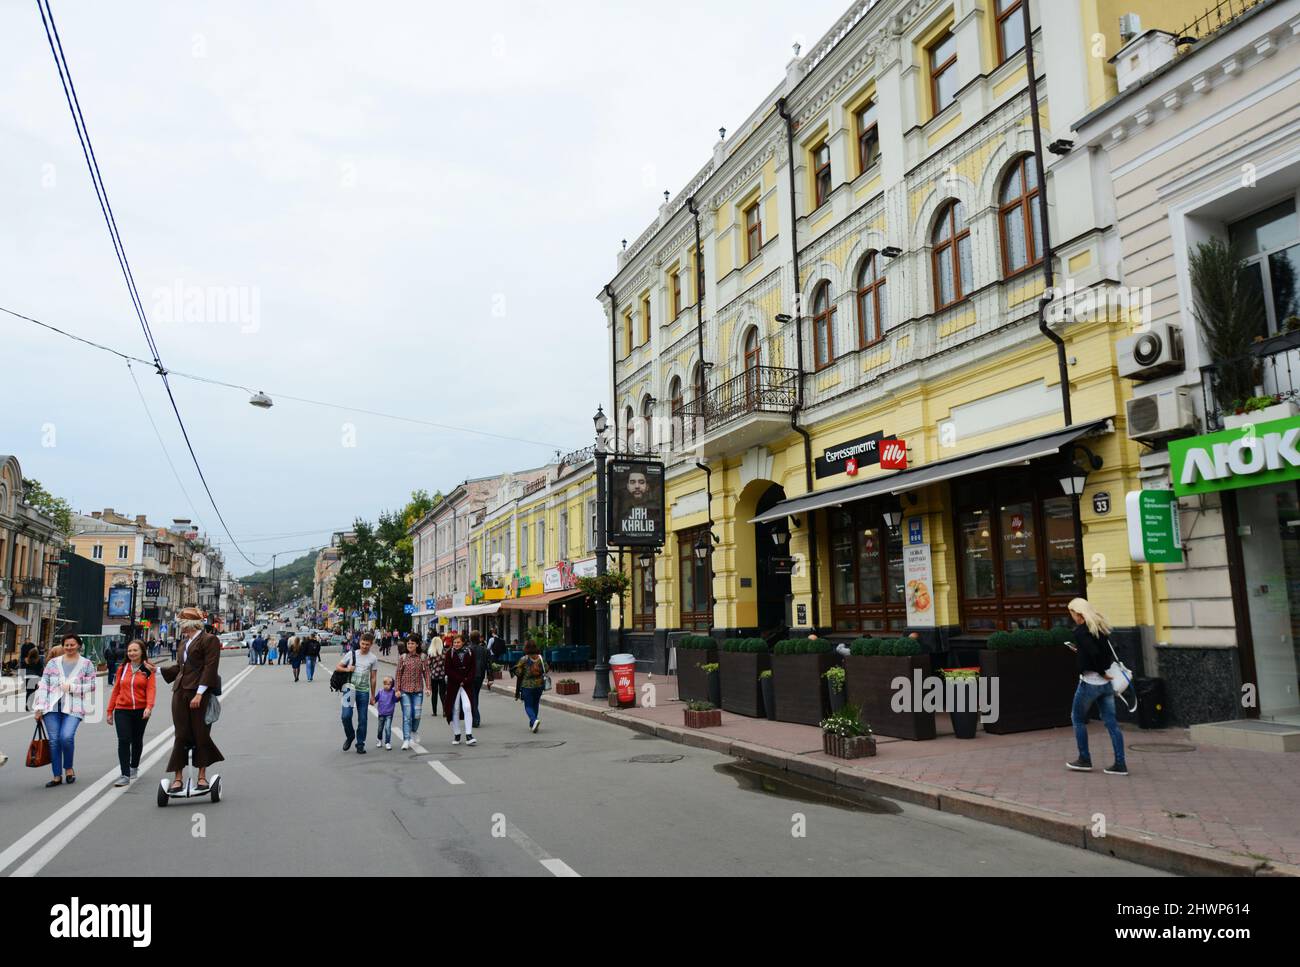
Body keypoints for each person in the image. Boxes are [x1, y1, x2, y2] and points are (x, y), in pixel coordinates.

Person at [161, 608, 224, 793]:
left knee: (200, 734)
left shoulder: (209, 639)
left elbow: (210, 668)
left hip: (199, 694)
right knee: (181, 735)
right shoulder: (184, 642)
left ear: (188, 623)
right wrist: (156, 670)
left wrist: (200, 693)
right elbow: (181, 668)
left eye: (180, 622)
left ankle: (202, 777)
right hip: (180, 692)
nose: (179, 625)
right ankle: (178, 778)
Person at [1064, 598, 1128, 776]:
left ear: (1079, 614)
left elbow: (1094, 653)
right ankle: (1120, 764)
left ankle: (1084, 759)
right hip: (1106, 686)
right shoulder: (1099, 628)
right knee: (1112, 724)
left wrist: (1100, 672)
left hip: (1091, 682)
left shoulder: (1081, 632)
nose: (1072, 617)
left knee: (1077, 719)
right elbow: (1101, 652)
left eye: (1072, 613)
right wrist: (1081, 652)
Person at [31, 633, 98, 787]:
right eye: (66, 645)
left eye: (72, 644)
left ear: (78, 646)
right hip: (51, 707)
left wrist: (73, 687)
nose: (69, 647)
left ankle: (68, 768)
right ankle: (56, 775)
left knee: (66, 737)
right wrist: (39, 708)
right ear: (62, 646)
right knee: (54, 741)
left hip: (74, 707)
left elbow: (93, 685)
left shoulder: (86, 664)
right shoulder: (53, 663)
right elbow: (43, 685)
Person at [105, 640, 156, 786]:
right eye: (129, 651)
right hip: (122, 710)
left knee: (136, 739)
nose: (132, 653)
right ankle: (125, 774)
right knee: (124, 740)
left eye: (135, 650)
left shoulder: (147, 668)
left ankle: (134, 766)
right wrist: (110, 711)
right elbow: (116, 690)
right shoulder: (122, 668)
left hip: (141, 710)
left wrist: (149, 707)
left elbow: (151, 689)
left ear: (142, 652)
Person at [335, 632, 378, 753]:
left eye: (367, 645)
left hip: (364, 691)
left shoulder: (373, 658)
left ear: (371, 644)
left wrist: (373, 696)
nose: (364, 646)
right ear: (359, 642)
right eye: (363, 644)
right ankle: (350, 736)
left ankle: (360, 744)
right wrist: (347, 669)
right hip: (349, 689)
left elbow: (373, 678)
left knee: (363, 719)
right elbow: (338, 667)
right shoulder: (351, 654)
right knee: (345, 716)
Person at [394, 634, 429, 750]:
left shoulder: (422, 657)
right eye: (408, 643)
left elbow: (426, 674)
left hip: (418, 690)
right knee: (407, 716)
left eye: (412, 643)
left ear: (417, 645)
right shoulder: (403, 657)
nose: (410, 645)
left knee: (417, 715)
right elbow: (398, 674)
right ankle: (406, 739)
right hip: (404, 691)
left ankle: (414, 730)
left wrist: (428, 688)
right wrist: (397, 689)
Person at [443, 633, 476, 745]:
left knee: (467, 707)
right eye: (454, 642)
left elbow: (473, 668)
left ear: (463, 642)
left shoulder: (470, 652)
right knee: (455, 708)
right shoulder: (449, 653)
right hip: (454, 684)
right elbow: (448, 669)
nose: (456, 644)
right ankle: (457, 734)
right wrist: (459, 680)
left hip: (466, 684)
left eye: (458, 642)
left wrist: (466, 680)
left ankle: (469, 735)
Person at [513, 639, 547, 733]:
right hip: (539, 685)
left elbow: (518, 672)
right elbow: (546, 668)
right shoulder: (540, 658)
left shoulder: (524, 659)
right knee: (535, 704)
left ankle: (534, 720)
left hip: (527, 686)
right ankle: (533, 724)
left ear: (526, 647)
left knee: (528, 705)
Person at [469, 631, 489, 729]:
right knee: (475, 694)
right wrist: (490, 678)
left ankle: (475, 718)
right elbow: (489, 664)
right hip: (480, 675)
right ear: (479, 638)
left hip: (470, 675)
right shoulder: (484, 650)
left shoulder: (468, 649)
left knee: (472, 696)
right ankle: (474, 717)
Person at [375, 676, 397, 750]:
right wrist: (372, 701)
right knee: (380, 729)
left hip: (389, 714)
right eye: (385, 684)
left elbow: (396, 700)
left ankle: (387, 742)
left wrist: (399, 696)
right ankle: (379, 739)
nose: (386, 686)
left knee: (387, 728)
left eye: (388, 684)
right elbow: (376, 699)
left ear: (392, 685)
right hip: (381, 713)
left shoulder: (393, 692)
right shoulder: (380, 692)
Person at [428, 634, 446, 720]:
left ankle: (434, 711)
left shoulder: (431, 653)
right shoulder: (444, 652)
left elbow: (428, 665)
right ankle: (444, 710)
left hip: (433, 675)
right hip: (442, 675)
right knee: (442, 693)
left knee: (434, 693)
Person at [23, 643, 43, 712]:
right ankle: (30, 705)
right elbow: (41, 669)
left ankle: (26, 705)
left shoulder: (26, 660)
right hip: (35, 677)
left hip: (27, 677)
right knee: (33, 692)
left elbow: (23, 669)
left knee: (28, 692)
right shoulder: (38, 660)